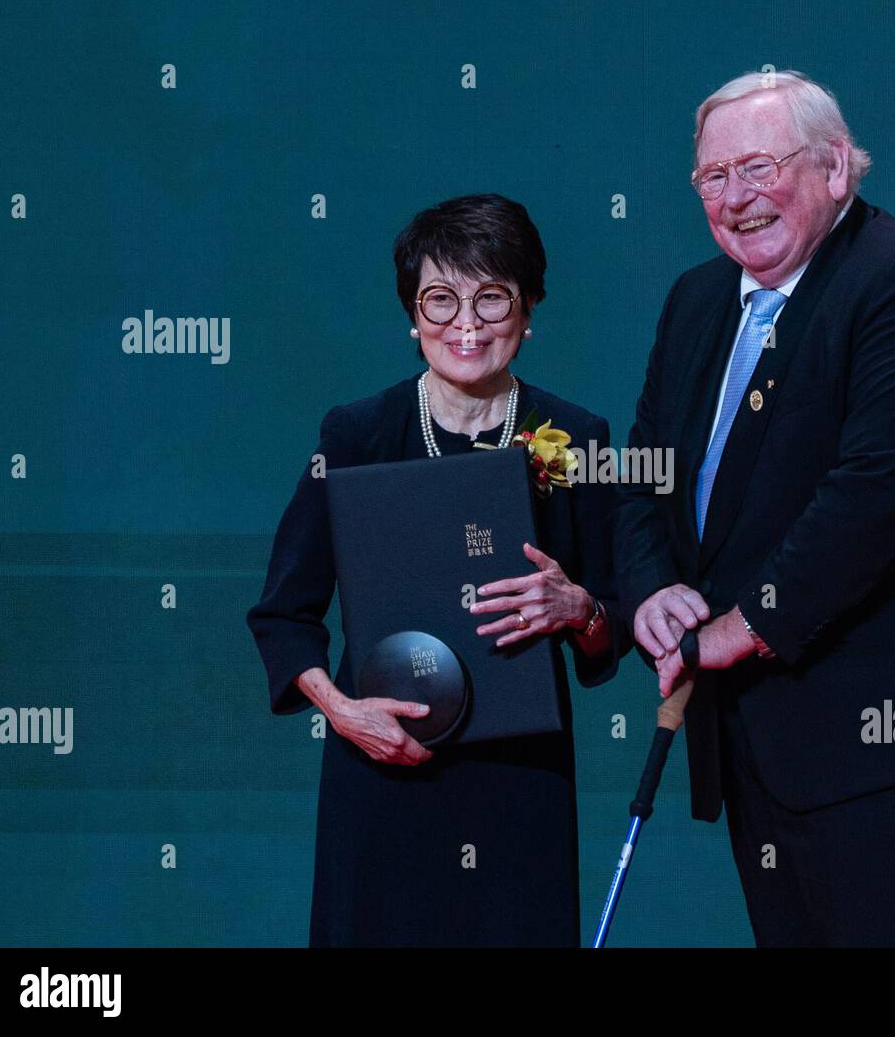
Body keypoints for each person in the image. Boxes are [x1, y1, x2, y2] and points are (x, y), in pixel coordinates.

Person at [614, 70, 895, 947]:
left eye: (759, 167)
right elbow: (646, 472)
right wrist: (651, 592)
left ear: (837, 167)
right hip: (764, 745)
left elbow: (879, 500)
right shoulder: (698, 299)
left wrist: (735, 631)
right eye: (713, 177)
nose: (736, 198)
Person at [247, 193, 630, 947]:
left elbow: (611, 628)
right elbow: (284, 614)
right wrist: (343, 711)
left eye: (493, 298)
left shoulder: (579, 437)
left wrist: (577, 608)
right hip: (383, 768)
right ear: (411, 316)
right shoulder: (356, 432)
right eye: (440, 298)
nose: (466, 323)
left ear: (528, 312)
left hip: (522, 778)